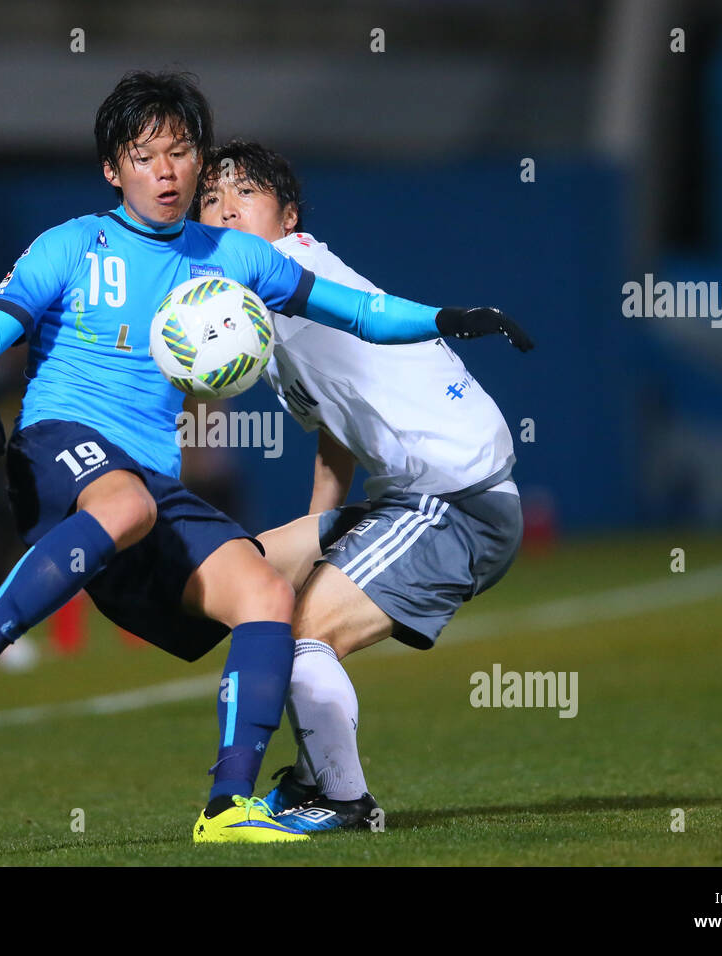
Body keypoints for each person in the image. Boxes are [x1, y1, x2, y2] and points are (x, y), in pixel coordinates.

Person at [0, 71, 531, 845]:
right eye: (143, 156)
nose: (165, 172)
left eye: (179, 154)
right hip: (61, 444)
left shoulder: (236, 259)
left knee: (266, 595)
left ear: (198, 159)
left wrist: (446, 316)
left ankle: (227, 806)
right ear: (113, 169)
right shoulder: (72, 244)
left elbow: (363, 313)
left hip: (148, 483)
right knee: (126, 505)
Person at [197, 141, 527, 831]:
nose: (225, 207)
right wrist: (318, 536)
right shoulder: (272, 308)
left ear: (289, 218)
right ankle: (315, 776)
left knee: (300, 631)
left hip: (454, 504)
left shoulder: (288, 268)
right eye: (211, 198)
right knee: (249, 576)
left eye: (245, 193)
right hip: (418, 499)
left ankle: (344, 801)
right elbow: (334, 435)